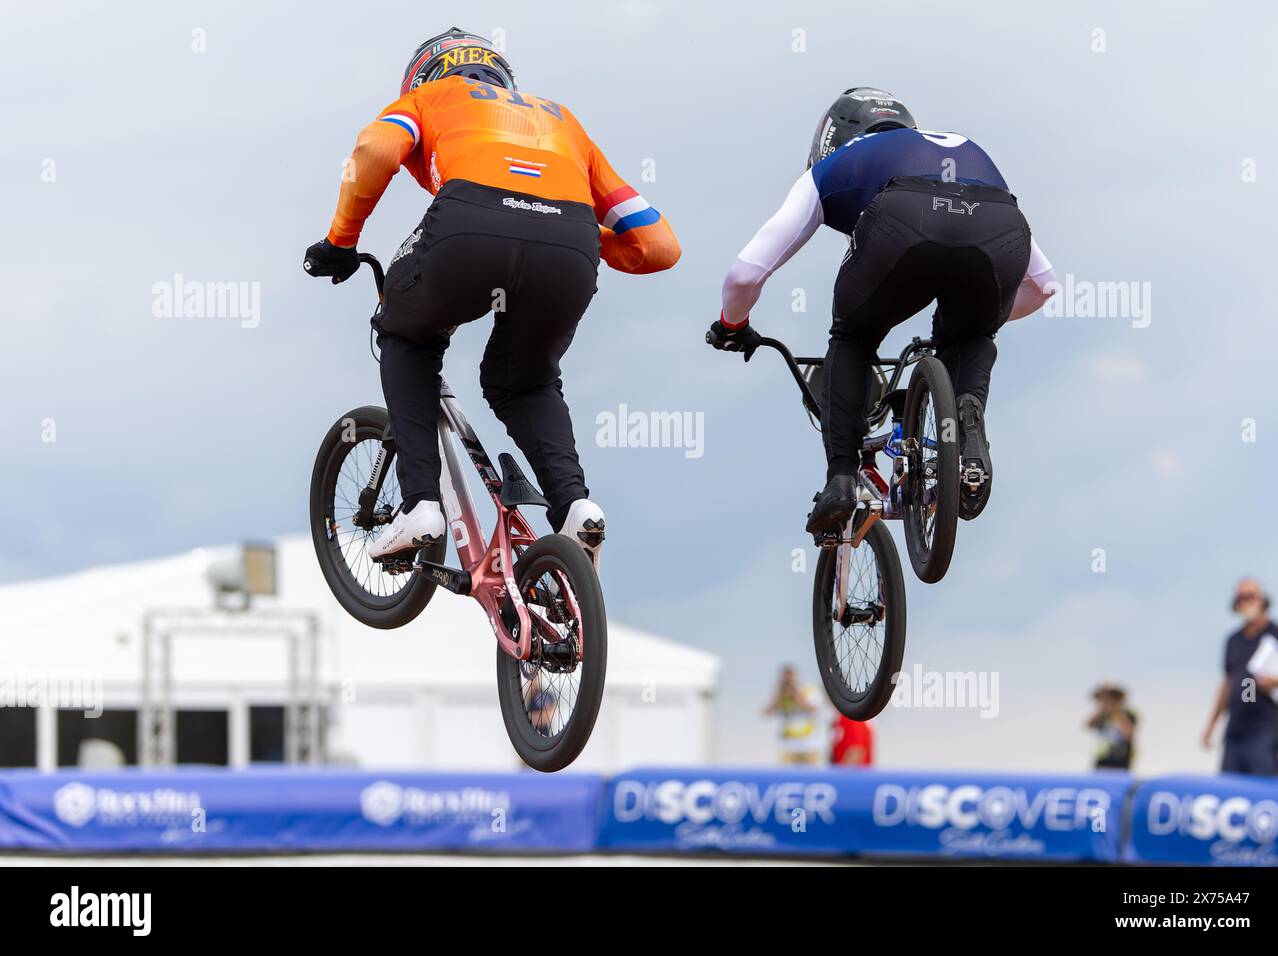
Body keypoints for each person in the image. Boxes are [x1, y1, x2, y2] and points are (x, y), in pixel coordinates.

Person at [304, 28, 680, 569]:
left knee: (405, 333)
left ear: (425, 74)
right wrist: (566, 236)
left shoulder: (429, 97)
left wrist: (342, 241)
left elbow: (376, 148)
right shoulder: (561, 119)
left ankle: (420, 507)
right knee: (524, 380)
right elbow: (660, 245)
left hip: (469, 229)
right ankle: (575, 507)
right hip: (571, 245)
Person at [707, 88, 1058, 533]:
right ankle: (968, 432)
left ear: (829, 141)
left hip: (902, 219)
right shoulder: (960, 147)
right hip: (998, 225)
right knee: (971, 337)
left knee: (852, 338)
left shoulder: (839, 162)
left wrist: (732, 323)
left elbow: (745, 274)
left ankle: (840, 479)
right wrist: (970, 326)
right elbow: (1045, 286)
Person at [1202, 578, 1278, 777]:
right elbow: (1227, 683)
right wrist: (1211, 726)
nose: (1247, 602)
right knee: (1230, 788)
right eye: (1242, 598)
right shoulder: (1233, 640)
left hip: (1264, 732)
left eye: (1251, 596)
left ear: (1263, 600)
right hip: (1235, 731)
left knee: (1268, 788)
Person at [763, 665, 823, 765]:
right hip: (788, 746)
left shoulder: (807, 690)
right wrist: (777, 696)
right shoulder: (781, 695)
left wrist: (796, 694)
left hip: (809, 745)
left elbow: (814, 710)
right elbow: (766, 713)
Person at [1085, 682, 1136, 771]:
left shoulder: (1128, 714)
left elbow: (1128, 734)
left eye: (1112, 697)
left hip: (1120, 762)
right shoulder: (1102, 716)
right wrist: (1102, 709)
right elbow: (1088, 725)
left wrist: (1116, 711)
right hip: (1101, 760)